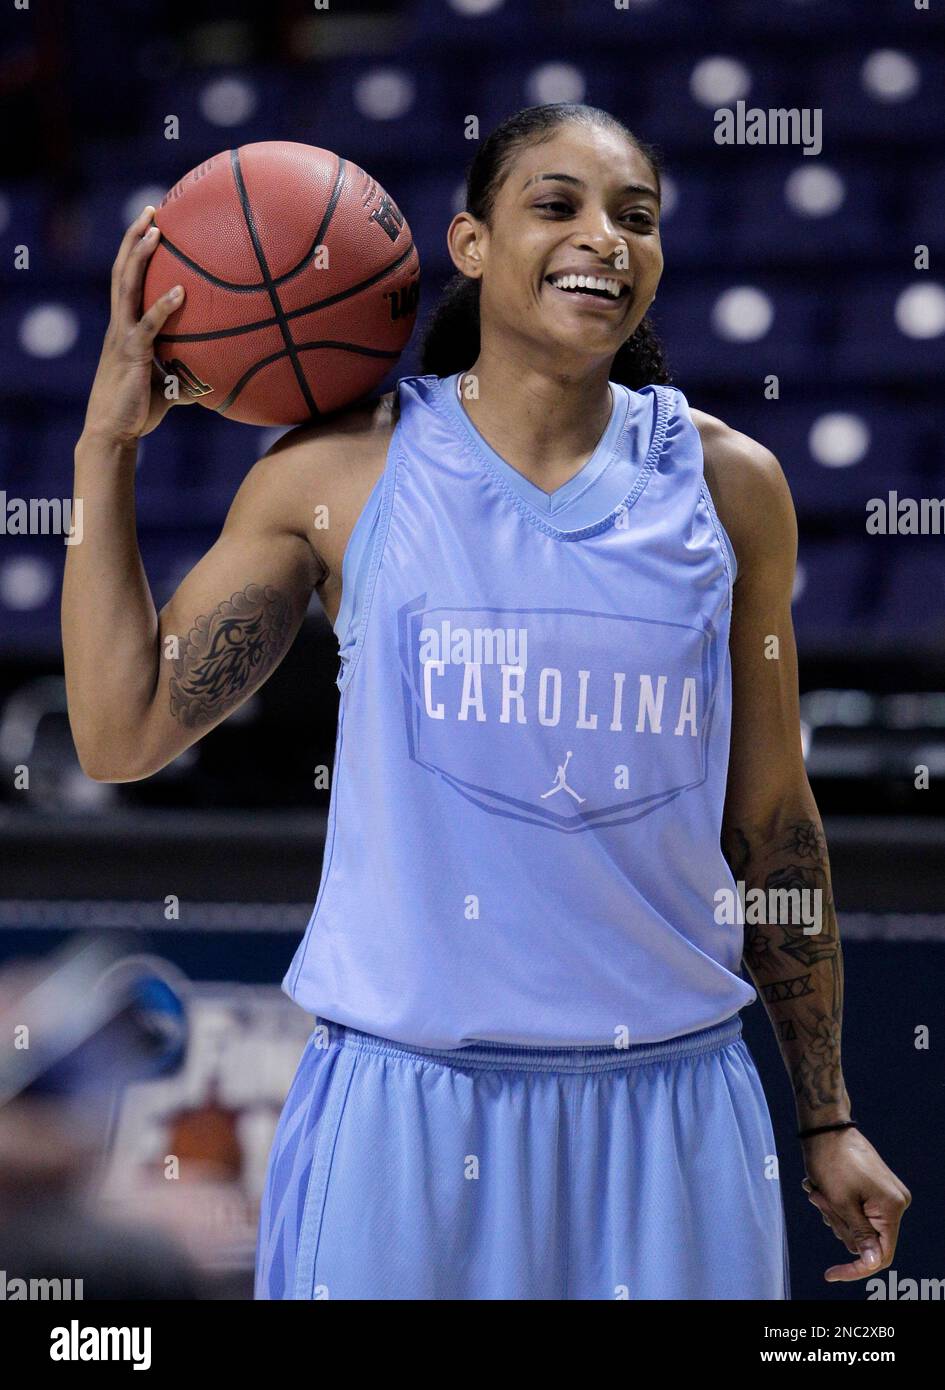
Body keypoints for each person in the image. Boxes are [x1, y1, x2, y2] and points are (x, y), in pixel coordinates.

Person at [64, 103, 910, 1300]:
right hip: (407, 1104)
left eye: (636, 217)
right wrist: (108, 447)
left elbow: (774, 823)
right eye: (557, 206)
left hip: (670, 1108)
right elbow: (119, 730)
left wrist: (826, 1116)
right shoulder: (338, 475)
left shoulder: (729, 486)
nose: (604, 239)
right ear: (468, 244)